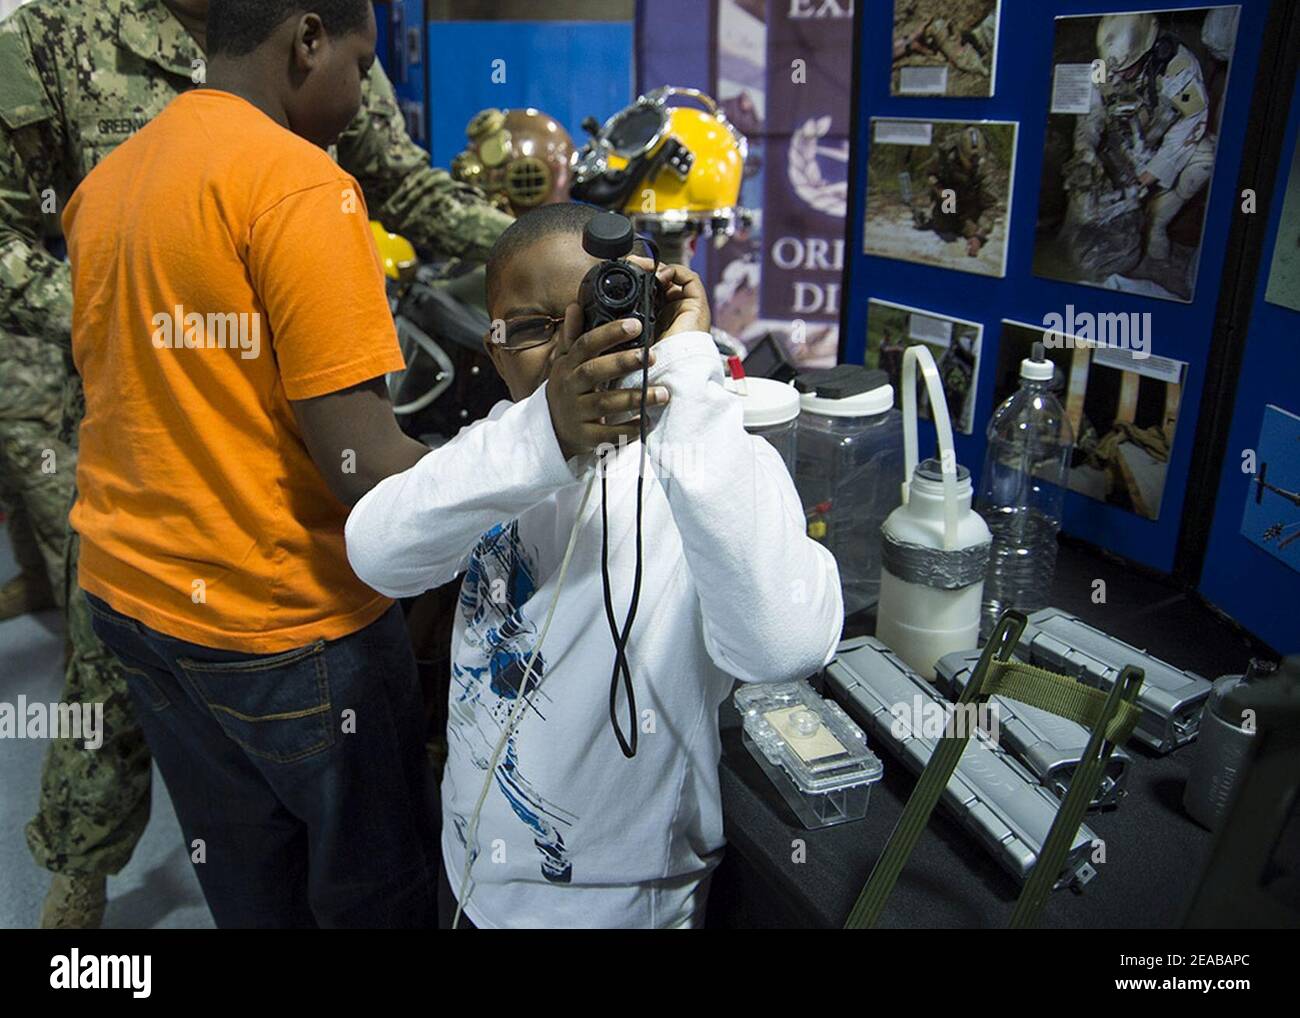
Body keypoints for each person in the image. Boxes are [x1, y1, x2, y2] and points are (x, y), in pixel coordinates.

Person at [0, 0, 511, 927]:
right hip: (282, 628)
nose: (363, 101)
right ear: (306, 41)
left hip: (136, 600)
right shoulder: (302, 187)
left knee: (246, 878)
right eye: (361, 69)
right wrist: (514, 464)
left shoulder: (111, 182)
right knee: (374, 889)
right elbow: (361, 465)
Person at [345, 203, 843, 929]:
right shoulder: (497, 450)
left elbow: (783, 644)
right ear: (493, 345)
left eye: (591, 312)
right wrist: (544, 434)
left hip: (613, 903)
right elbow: (376, 552)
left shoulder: (709, 465)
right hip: (471, 863)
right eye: (531, 328)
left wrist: (687, 373)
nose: (568, 348)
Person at [911, 125, 999, 258]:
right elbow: (930, 174)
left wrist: (979, 236)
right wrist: (940, 190)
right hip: (949, 197)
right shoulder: (945, 154)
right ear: (959, 151)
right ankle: (943, 218)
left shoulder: (986, 166)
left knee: (972, 230)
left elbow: (991, 206)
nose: (973, 163)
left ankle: (966, 224)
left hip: (972, 201)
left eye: (975, 160)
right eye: (968, 160)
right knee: (943, 225)